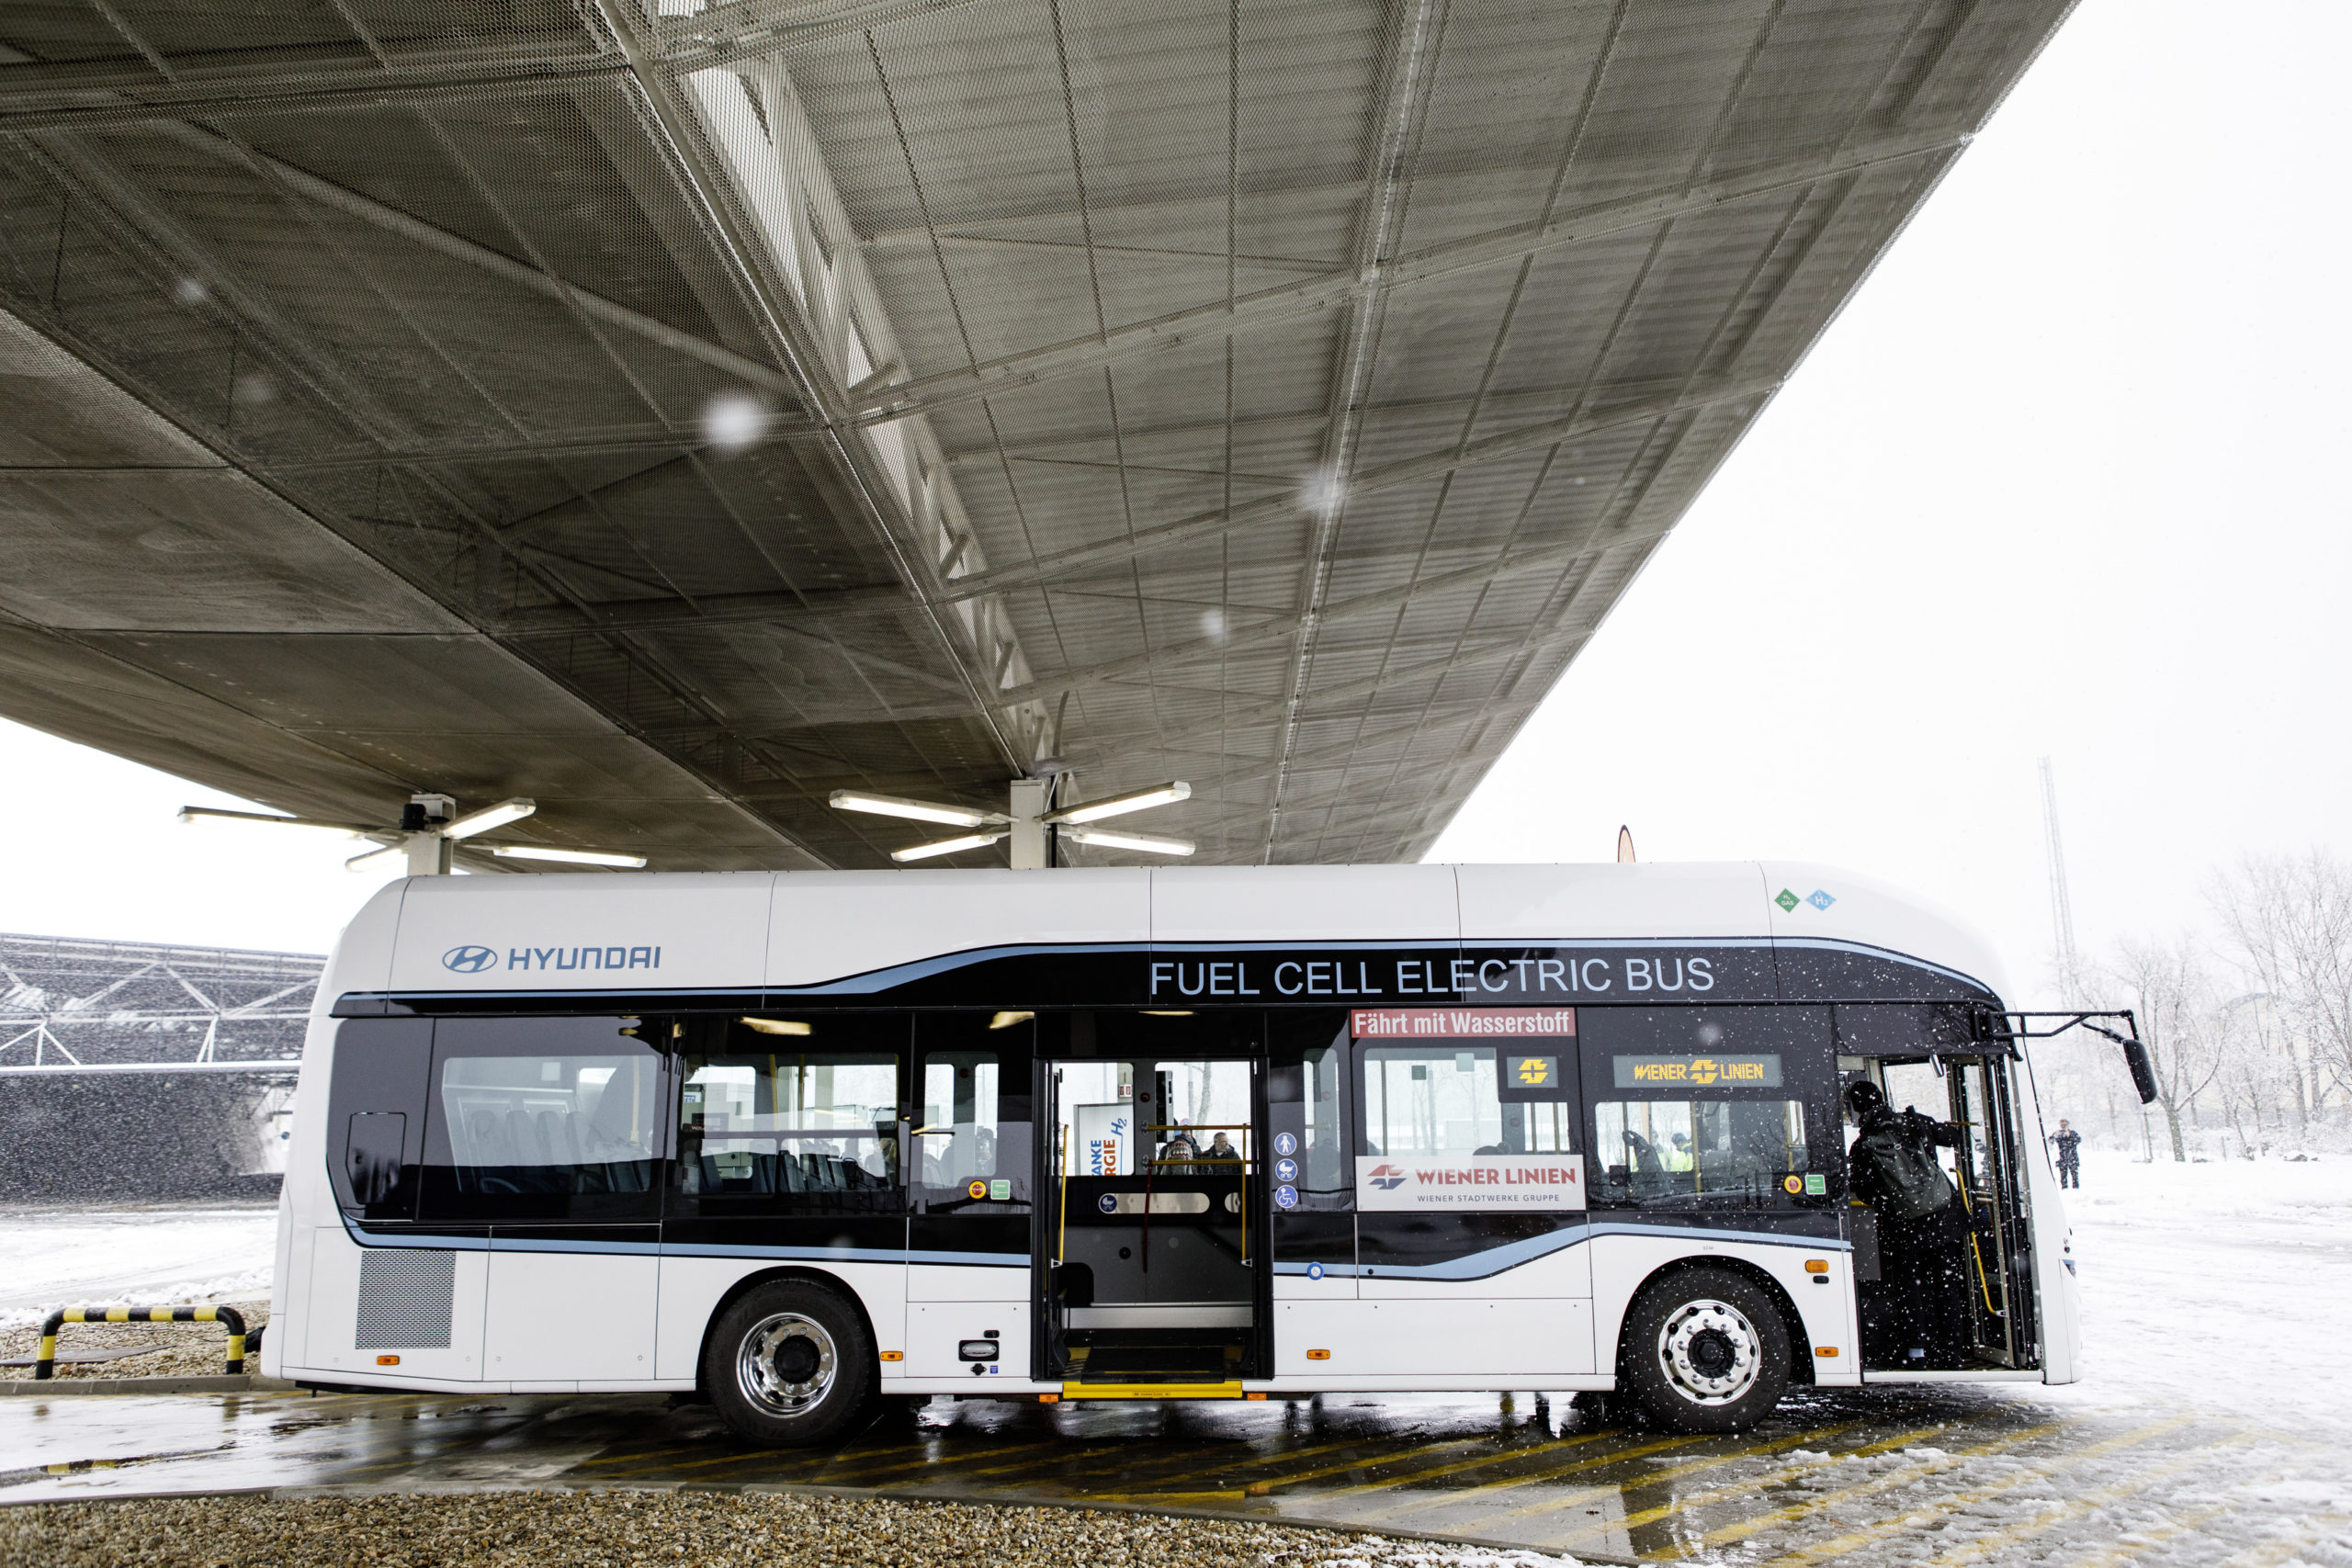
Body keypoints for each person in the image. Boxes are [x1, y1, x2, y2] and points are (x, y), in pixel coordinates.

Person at [1845, 1079, 1973, 1363]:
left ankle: (1916, 1350)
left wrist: (1893, 1200)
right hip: (1943, 1218)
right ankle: (1953, 1350)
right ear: (1881, 1098)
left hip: (1902, 1226)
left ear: (1856, 1108)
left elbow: (1864, 1190)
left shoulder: (1864, 1145)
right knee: (1947, 1285)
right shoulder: (1911, 1122)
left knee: (1908, 1288)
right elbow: (1954, 1138)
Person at [2050, 1120, 2081, 1189]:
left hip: (2072, 1157)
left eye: (2065, 1125)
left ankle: (2076, 1188)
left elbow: (2078, 1140)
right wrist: (2055, 1136)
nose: (2063, 1126)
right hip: (2062, 1158)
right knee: (2063, 1176)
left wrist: (2069, 1136)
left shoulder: (2073, 1133)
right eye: (2061, 1125)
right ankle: (2064, 1188)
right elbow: (2050, 1141)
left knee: (2074, 1175)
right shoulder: (2057, 1133)